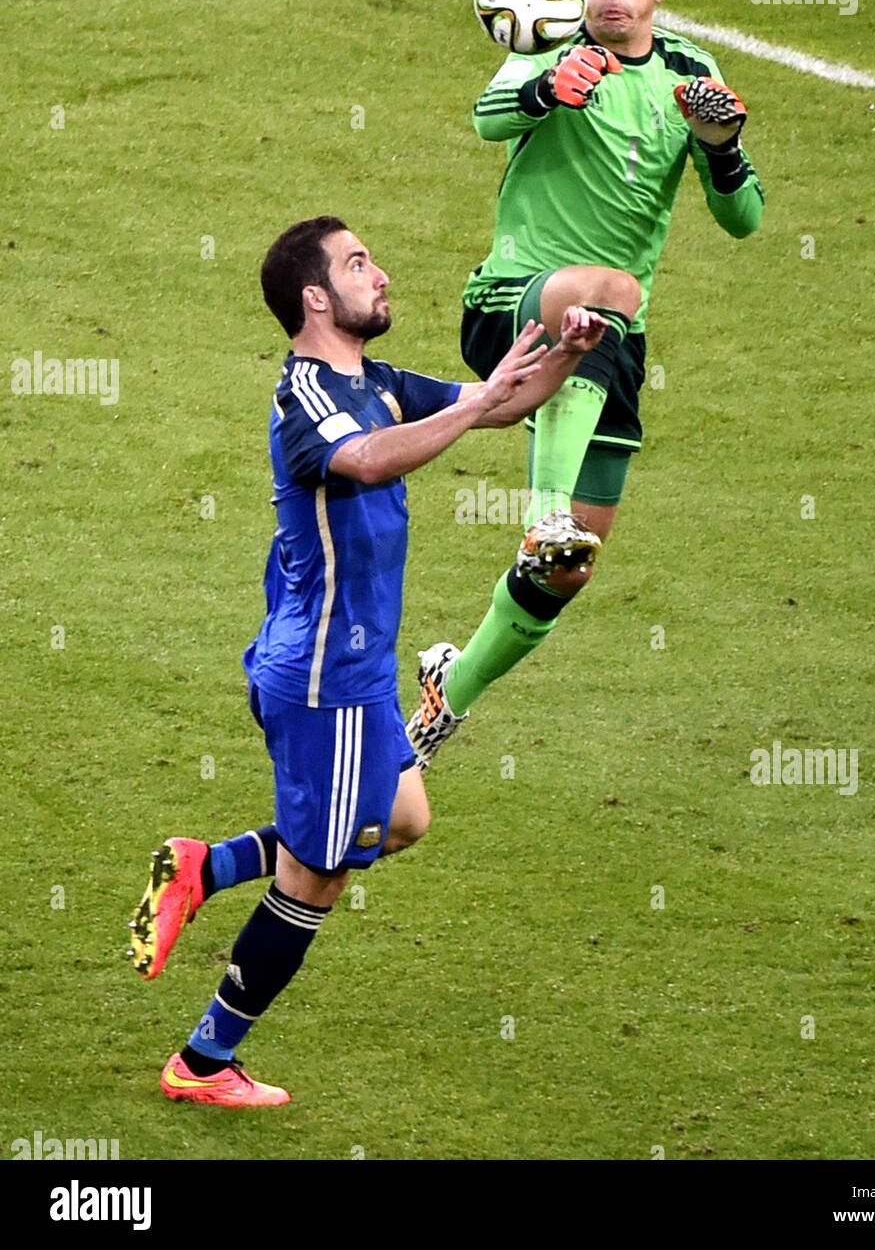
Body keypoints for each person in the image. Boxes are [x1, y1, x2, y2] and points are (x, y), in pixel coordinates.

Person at [127, 214, 607, 1106]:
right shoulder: (309, 395)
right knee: (321, 873)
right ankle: (202, 1062)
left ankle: (208, 865)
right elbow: (370, 463)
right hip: (322, 678)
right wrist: (471, 405)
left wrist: (570, 352)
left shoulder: (376, 381)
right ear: (316, 297)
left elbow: (496, 401)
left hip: (352, 668)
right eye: (358, 263)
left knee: (404, 816)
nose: (380, 273)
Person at [406, 0, 765, 769]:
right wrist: (545, 89)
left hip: (608, 349)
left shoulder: (691, 72)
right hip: (510, 302)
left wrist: (722, 147)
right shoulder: (553, 49)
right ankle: (543, 512)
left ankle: (441, 705)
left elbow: (745, 220)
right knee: (610, 289)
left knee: (567, 574)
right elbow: (488, 116)